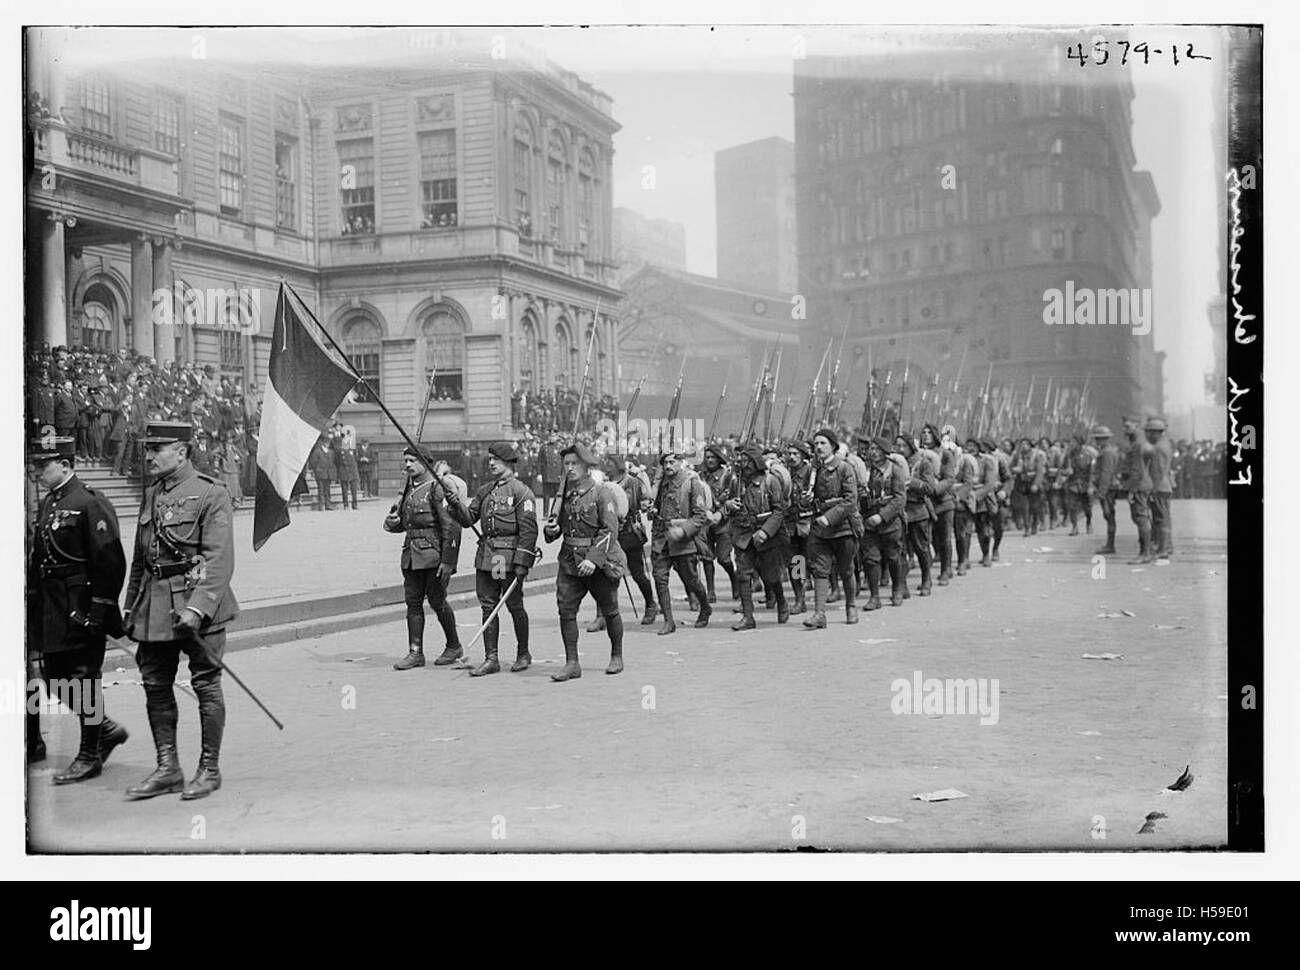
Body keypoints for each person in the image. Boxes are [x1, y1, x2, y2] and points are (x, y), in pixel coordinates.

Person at [122, 421, 239, 801]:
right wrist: (130, 606)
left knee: (205, 685)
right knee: (155, 685)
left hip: (198, 604)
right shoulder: (153, 492)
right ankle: (168, 768)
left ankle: (209, 768)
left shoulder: (210, 492)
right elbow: (141, 557)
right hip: (154, 606)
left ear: (182, 451)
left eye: (157, 449)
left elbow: (219, 559)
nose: (148, 456)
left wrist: (196, 608)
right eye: (147, 449)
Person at [26, 433, 130, 781]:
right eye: (37, 464)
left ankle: (88, 756)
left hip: (81, 605)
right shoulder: (50, 502)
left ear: (66, 465)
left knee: (83, 679)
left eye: (45, 465)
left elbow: (110, 561)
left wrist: (98, 611)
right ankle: (106, 729)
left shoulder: (90, 502)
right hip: (53, 606)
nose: (38, 471)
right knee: (55, 679)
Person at [448, 442, 537, 676]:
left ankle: (523, 653)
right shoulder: (485, 490)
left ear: (508, 462)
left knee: (514, 605)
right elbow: (469, 519)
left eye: (495, 459)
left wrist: (522, 563)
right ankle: (491, 658)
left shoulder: (521, 492)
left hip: (505, 558)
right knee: (488, 606)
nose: (491, 463)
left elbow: (529, 531)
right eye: (489, 459)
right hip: (488, 556)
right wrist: (456, 504)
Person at [542, 442, 628, 680]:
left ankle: (616, 656)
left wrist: (593, 559)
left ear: (587, 466)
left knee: (610, 610)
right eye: (567, 464)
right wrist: (551, 529)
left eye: (575, 464)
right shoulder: (564, 494)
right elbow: (555, 531)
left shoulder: (602, 493)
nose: (569, 468)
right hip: (570, 561)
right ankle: (572, 663)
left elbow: (609, 530)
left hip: (598, 562)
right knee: (566, 611)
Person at [386, 445, 462, 671]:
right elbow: (406, 523)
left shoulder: (438, 488)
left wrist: (449, 561)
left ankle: (454, 646)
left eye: (412, 460)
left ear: (425, 462)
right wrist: (393, 522)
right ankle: (415, 652)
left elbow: (452, 527)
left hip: (433, 557)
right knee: (413, 604)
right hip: (411, 555)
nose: (408, 465)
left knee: (438, 602)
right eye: (406, 461)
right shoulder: (409, 489)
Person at [588, 453, 658, 630]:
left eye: (610, 462)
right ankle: (602, 615)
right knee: (603, 575)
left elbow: (644, 502)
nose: (606, 465)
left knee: (637, 573)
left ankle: (651, 605)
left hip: (629, 534)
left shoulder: (633, 482)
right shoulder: (601, 484)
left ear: (618, 464)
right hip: (608, 534)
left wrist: (644, 505)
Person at [725, 444, 790, 630]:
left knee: (775, 574)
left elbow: (780, 510)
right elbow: (727, 507)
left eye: (746, 461)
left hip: (770, 535)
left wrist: (766, 531)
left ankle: (788, 597)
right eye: (741, 461)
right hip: (743, 534)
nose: (742, 465)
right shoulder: (735, 483)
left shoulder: (771, 481)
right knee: (743, 574)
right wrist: (728, 505)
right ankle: (748, 616)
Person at [648, 451, 713, 635]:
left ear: (681, 462)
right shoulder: (662, 484)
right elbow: (660, 506)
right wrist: (653, 510)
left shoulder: (692, 484)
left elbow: (700, 516)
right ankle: (669, 621)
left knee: (690, 579)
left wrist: (683, 530)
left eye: (672, 462)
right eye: (665, 463)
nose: (668, 466)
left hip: (684, 540)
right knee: (660, 579)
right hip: (662, 538)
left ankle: (705, 606)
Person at [802, 428, 861, 628]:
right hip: (819, 529)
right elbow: (803, 497)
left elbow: (850, 500)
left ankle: (851, 606)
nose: (818, 447)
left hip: (843, 527)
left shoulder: (845, 468)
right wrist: (805, 500)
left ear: (833, 446)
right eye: (816, 444)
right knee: (820, 570)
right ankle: (819, 614)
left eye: (823, 443)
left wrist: (829, 518)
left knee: (846, 569)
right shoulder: (812, 470)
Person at [857, 434, 908, 609]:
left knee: (893, 557)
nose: (874, 452)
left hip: (890, 523)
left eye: (878, 449)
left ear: (885, 452)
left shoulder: (895, 469)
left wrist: (882, 516)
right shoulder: (865, 470)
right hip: (869, 522)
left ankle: (897, 589)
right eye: (871, 449)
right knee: (871, 559)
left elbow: (899, 499)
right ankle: (874, 596)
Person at [698, 445, 738, 604]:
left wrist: (720, 512)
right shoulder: (701, 476)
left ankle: (735, 581)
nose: (709, 460)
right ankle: (711, 591)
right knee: (706, 558)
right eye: (707, 457)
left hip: (723, 524)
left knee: (724, 558)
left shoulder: (727, 477)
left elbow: (732, 501)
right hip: (706, 524)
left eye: (712, 457)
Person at [1119, 416, 1155, 564]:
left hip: (1139, 485)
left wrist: (1132, 491)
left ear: (1137, 426)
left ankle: (1144, 553)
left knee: (1140, 518)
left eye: (1128, 426)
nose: (1124, 429)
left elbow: (1138, 470)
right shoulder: (1139, 442)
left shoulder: (1138, 444)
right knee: (1141, 518)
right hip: (1142, 484)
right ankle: (1147, 551)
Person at [784, 440, 814, 614]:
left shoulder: (812, 472)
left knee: (813, 561)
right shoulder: (785, 473)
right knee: (795, 562)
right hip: (791, 523)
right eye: (790, 453)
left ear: (803, 455)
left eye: (796, 454)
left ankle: (830, 590)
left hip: (808, 522)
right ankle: (799, 599)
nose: (792, 457)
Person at [1145, 417, 1174, 559]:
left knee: (1159, 519)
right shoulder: (1165, 444)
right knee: (1165, 518)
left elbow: (1158, 471)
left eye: (1150, 432)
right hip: (1165, 486)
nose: (1148, 435)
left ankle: (1163, 549)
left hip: (1159, 487)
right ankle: (1167, 546)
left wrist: (1152, 488)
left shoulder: (1158, 448)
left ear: (1156, 432)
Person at [1091, 426, 1121, 555]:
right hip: (1108, 488)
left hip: (1108, 489)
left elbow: (1106, 473)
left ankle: (1110, 545)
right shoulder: (1107, 451)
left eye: (1099, 439)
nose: (1097, 441)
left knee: (1109, 515)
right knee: (1108, 516)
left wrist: (1101, 492)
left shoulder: (1107, 453)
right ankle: (1110, 544)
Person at [309, 436, 337, 510]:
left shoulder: (331, 452)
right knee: (321, 489)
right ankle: (321, 505)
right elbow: (313, 462)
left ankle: (328, 504)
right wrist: (317, 469)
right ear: (322, 443)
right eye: (325, 443)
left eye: (328, 443)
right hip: (320, 473)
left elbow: (333, 463)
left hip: (328, 473)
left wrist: (333, 473)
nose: (327, 444)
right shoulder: (317, 451)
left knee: (327, 490)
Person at [336, 440, 361, 510]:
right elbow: (337, 461)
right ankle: (346, 504)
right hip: (344, 471)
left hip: (353, 471)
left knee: (354, 489)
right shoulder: (340, 452)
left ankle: (355, 504)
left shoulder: (354, 450)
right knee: (344, 489)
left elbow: (356, 460)